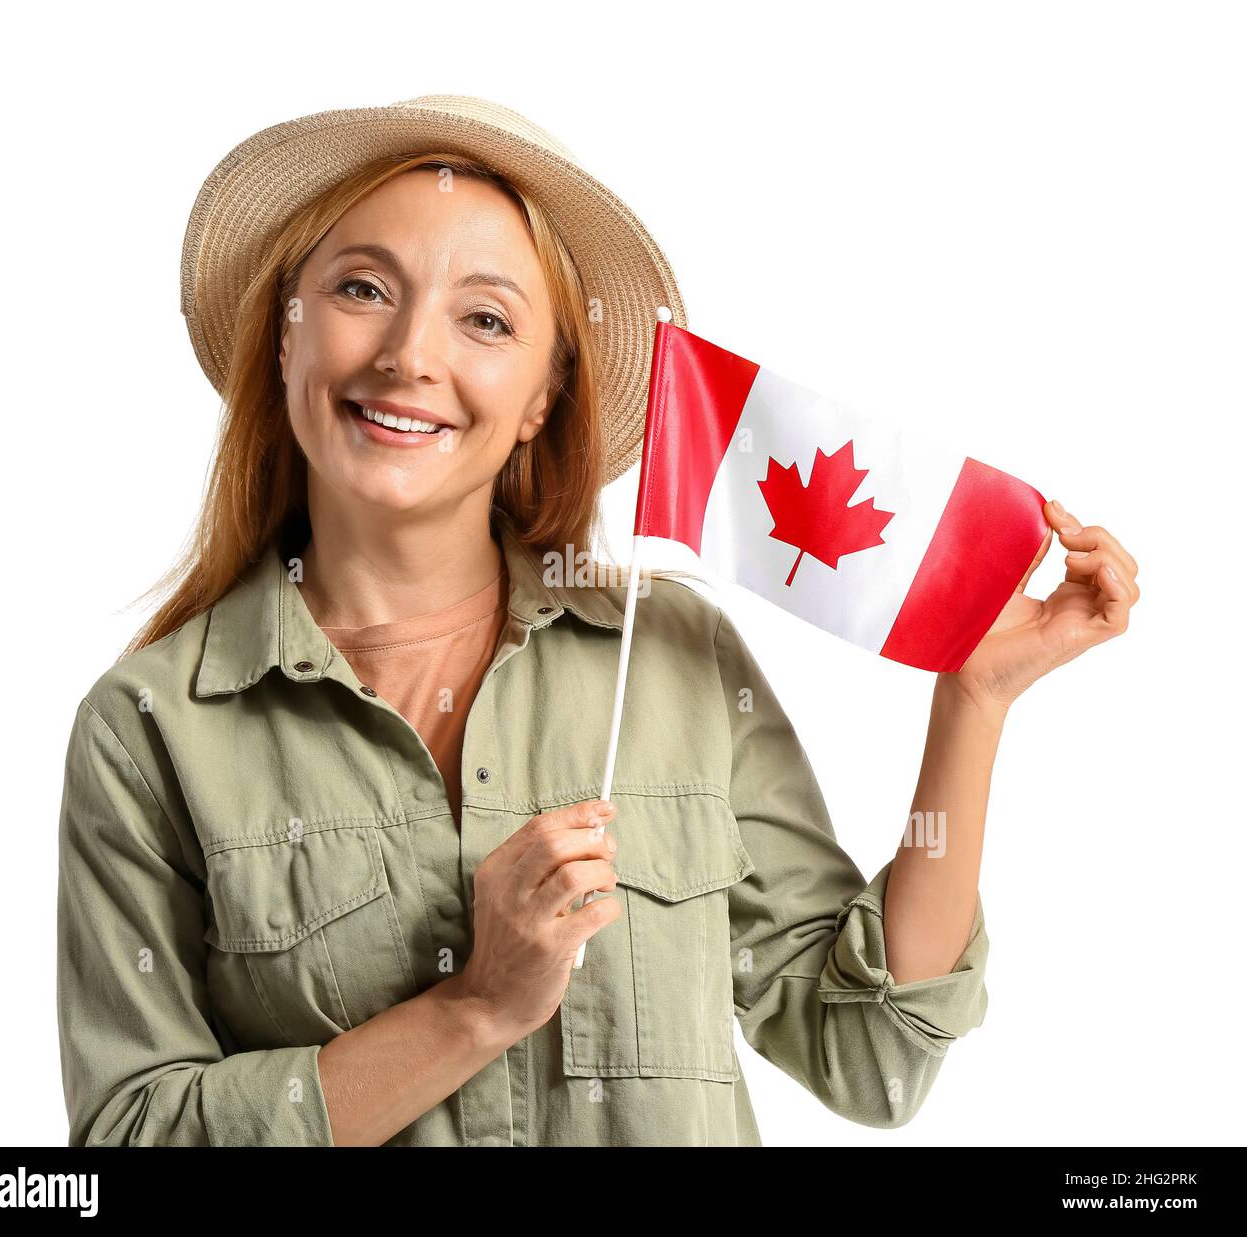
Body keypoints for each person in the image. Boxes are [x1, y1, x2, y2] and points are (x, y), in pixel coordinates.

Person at [55, 95, 1140, 1147]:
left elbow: (867, 1054)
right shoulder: (151, 727)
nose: (408, 355)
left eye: (484, 318)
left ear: (543, 395)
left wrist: (974, 704)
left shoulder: (668, 656)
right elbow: (129, 1138)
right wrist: (471, 1008)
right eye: (360, 289)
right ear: (286, 338)